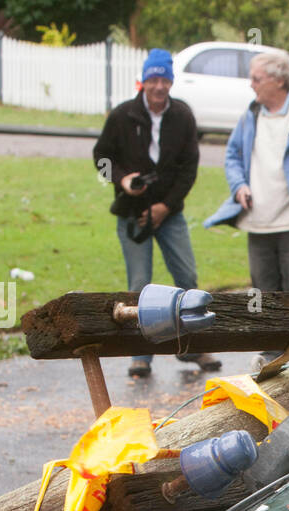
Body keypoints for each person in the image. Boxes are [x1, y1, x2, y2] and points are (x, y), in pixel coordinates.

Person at [204, 51, 289, 375]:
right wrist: (239, 186)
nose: (250, 85)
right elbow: (233, 155)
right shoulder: (250, 116)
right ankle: (271, 358)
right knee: (263, 295)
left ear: (278, 80)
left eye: (256, 78)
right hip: (258, 222)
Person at [93, 48, 219, 378]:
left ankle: (193, 346)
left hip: (170, 211)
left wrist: (166, 206)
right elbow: (101, 158)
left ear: (171, 82)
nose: (159, 86)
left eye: (164, 80)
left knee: (187, 277)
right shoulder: (123, 116)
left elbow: (188, 168)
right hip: (132, 212)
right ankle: (140, 355)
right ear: (143, 82)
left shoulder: (182, 116)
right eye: (153, 80)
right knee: (139, 284)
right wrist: (123, 179)